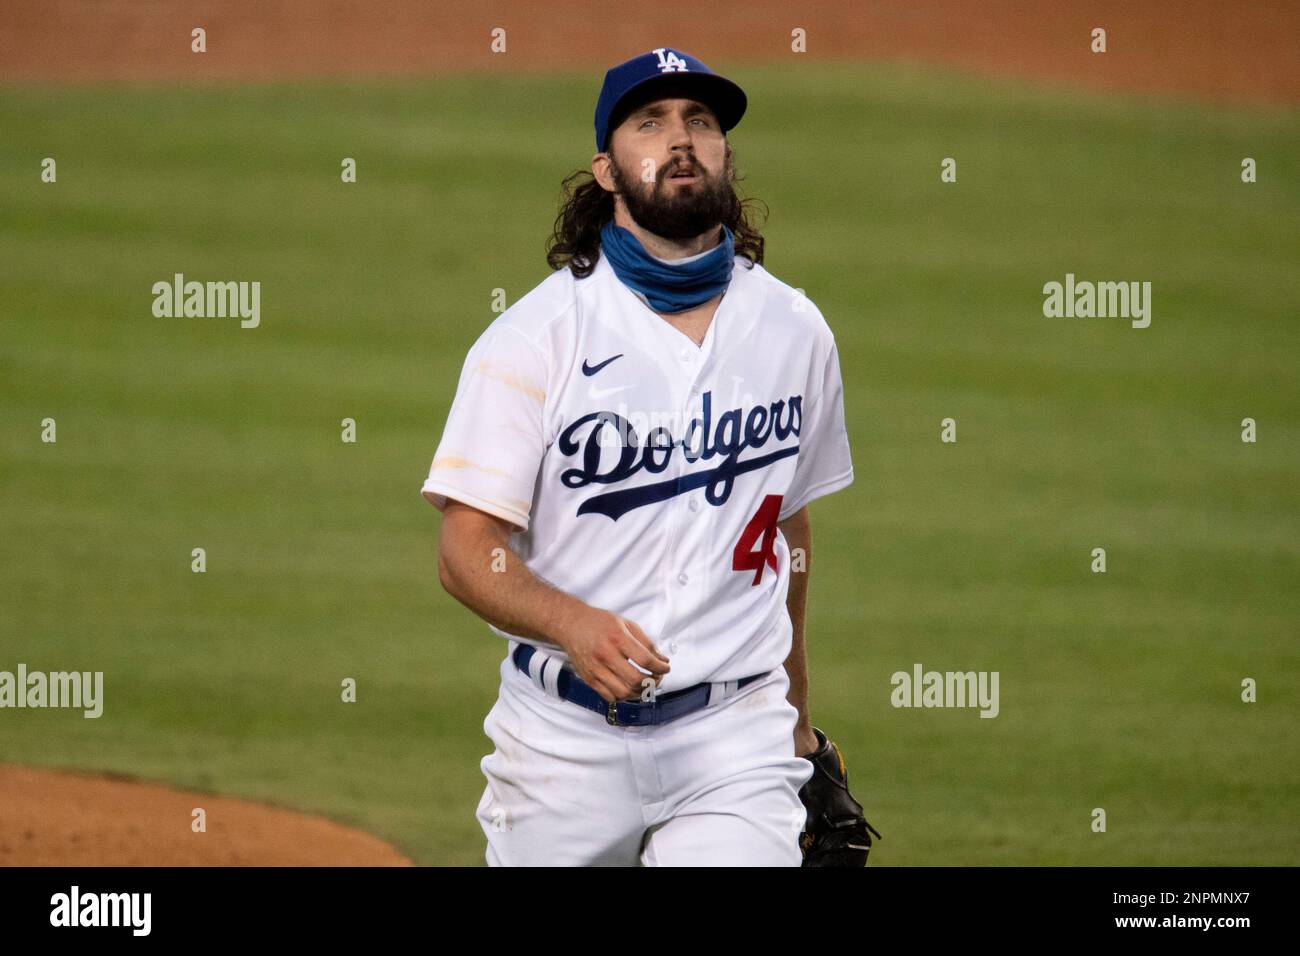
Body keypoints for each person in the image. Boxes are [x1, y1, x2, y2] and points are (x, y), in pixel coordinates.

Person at [421, 47, 857, 866]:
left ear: (726, 154)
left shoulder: (796, 331)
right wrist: (572, 624)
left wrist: (797, 719)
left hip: (736, 740)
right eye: (650, 122)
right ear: (607, 171)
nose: (681, 138)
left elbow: (787, 530)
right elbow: (464, 550)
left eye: (701, 121)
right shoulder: (533, 340)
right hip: (560, 746)